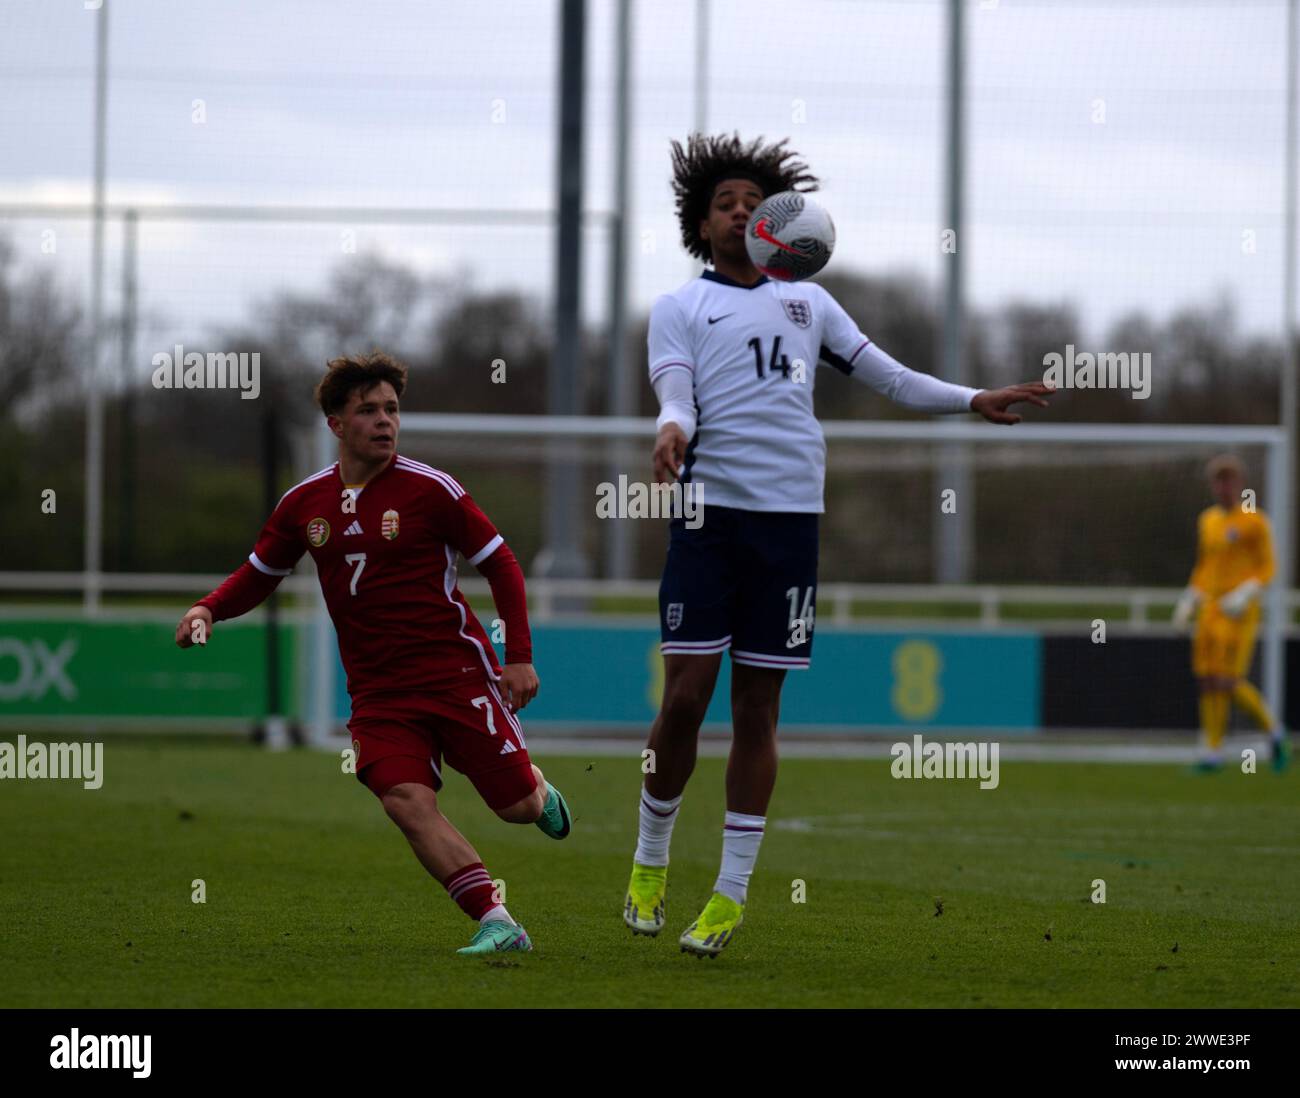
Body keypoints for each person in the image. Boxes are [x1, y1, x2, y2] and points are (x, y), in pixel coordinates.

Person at [624, 132, 1054, 957]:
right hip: (709, 519)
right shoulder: (681, 307)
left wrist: (973, 399)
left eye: (756, 202)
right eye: (726, 204)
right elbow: (674, 392)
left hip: (789, 527)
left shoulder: (808, 303)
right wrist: (671, 432)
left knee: (758, 708)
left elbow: (889, 375)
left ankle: (729, 895)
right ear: (701, 224)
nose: (743, 212)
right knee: (684, 700)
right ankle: (649, 862)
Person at [176, 351, 570, 955]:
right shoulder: (304, 504)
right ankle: (497, 920)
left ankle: (538, 787)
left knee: (516, 806)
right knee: (406, 801)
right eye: (368, 411)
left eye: (391, 409)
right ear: (337, 424)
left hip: (455, 673)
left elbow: (502, 563)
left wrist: (518, 655)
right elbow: (260, 573)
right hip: (380, 692)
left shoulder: (431, 490)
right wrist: (208, 608)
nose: (385, 421)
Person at [1173, 454, 1288, 772]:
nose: (1223, 487)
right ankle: (1212, 752)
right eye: (1218, 481)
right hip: (1210, 610)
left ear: (1239, 485)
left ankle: (1275, 733)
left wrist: (1246, 592)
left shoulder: (1254, 521)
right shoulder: (1207, 520)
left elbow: (1268, 568)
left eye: (1229, 481)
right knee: (1207, 680)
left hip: (1239, 611)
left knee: (1228, 680)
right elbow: (1204, 566)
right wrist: (1190, 598)